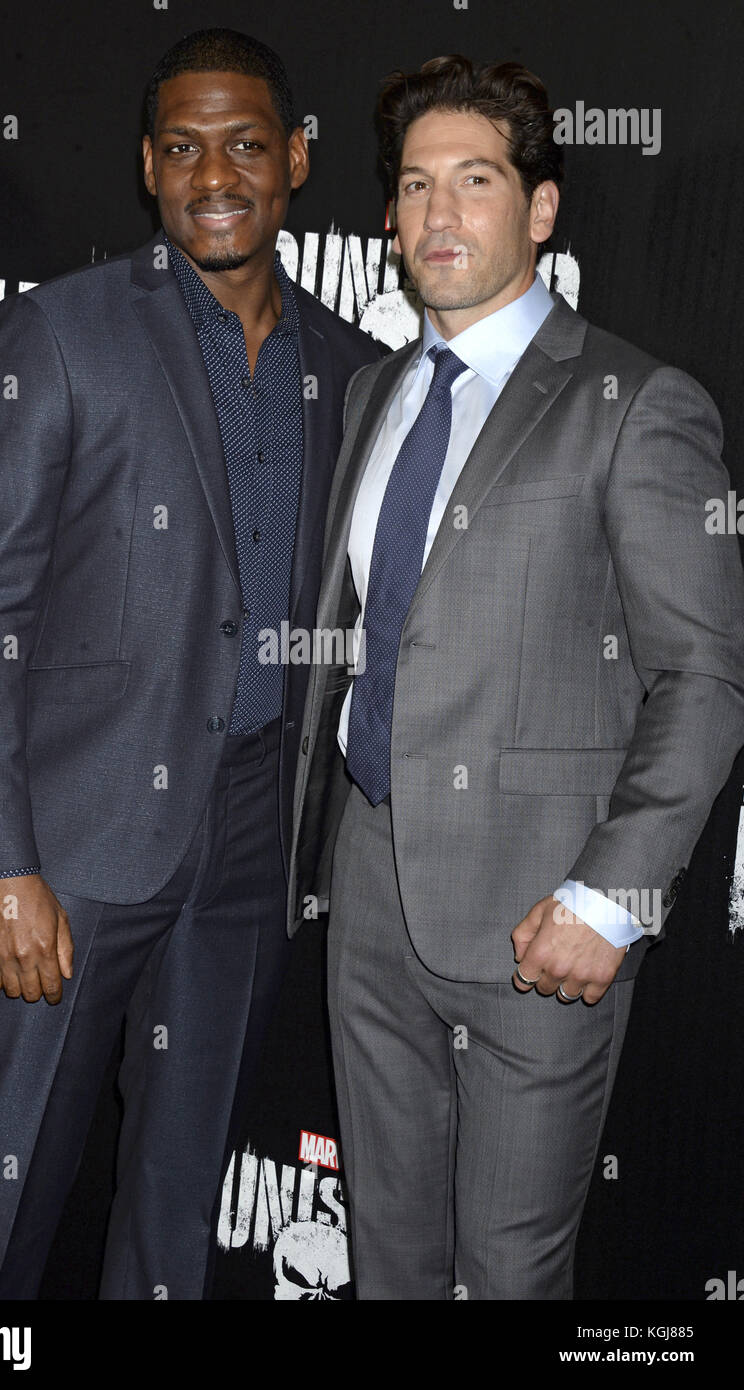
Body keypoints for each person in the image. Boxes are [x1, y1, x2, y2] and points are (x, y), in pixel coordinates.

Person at [0, 27, 380, 1300]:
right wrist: (1, 861)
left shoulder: (351, 373)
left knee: (178, 1213)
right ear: (147, 165)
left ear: (294, 159)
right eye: (183, 148)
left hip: (247, 847)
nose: (213, 174)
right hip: (69, 845)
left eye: (243, 144)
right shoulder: (57, 335)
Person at [288, 54, 744, 1299]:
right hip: (369, 887)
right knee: (388, 1257)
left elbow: (704, 677)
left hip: (543, 912)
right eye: (415, 185)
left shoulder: (637, 404)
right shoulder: (378, 390)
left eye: (474, 181)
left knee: (507, 1272)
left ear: (540, 211)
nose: (437, 215)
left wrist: (613, 900)